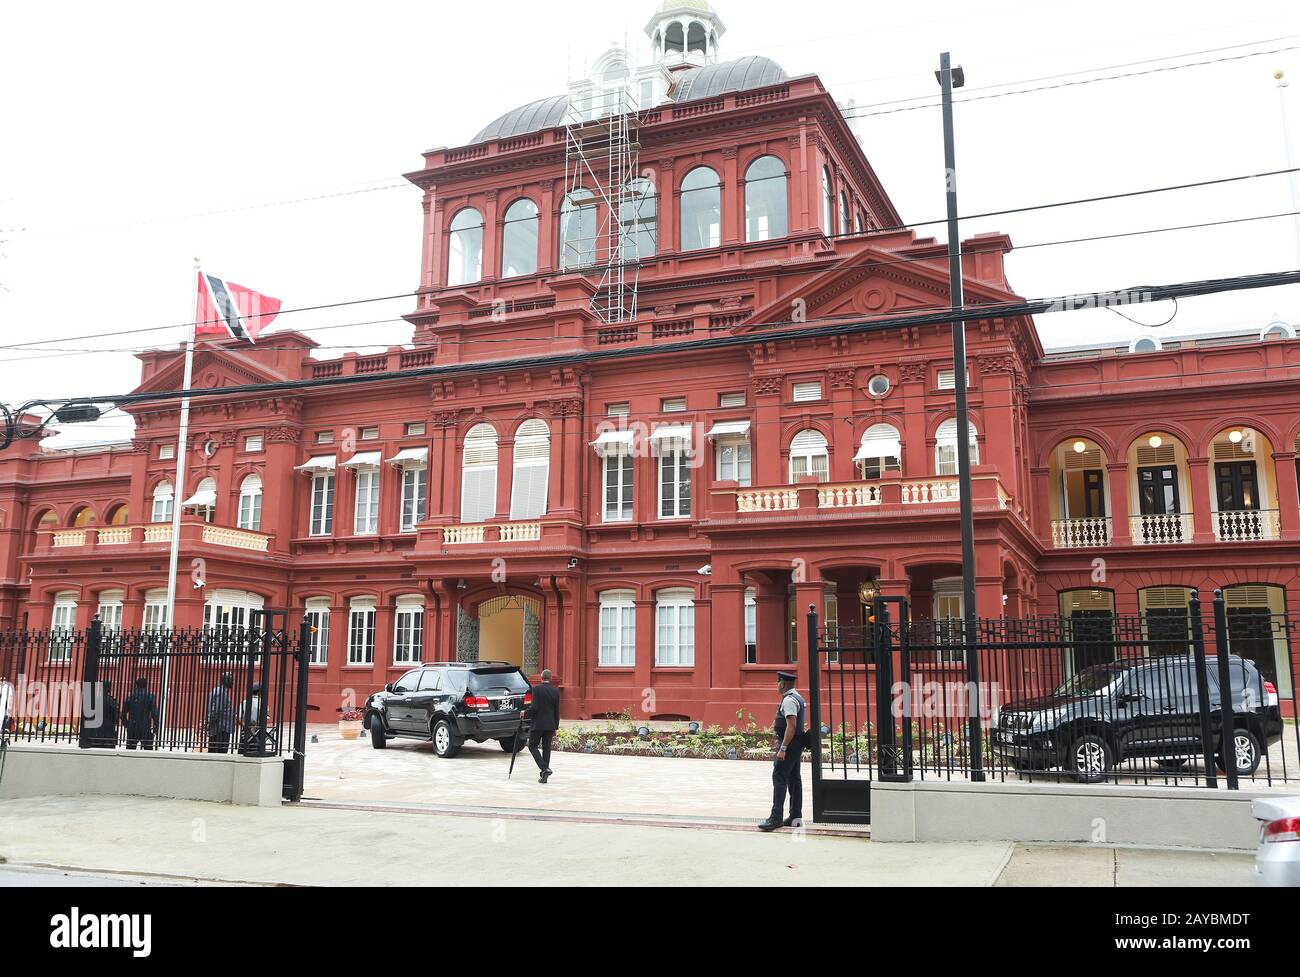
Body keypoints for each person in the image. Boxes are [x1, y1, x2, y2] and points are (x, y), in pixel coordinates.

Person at [758, 670, 807, 831]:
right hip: (796, 744)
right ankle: (795, 816)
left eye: (778, 682)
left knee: (779, 777)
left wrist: (783, 748)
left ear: (783, 683)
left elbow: (791, 727)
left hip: (789, 745)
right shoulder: (798, 697)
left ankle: (775, 818)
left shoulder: (789, 701)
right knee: (794, 779)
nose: (776, 685)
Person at [524, 669, 560, 783]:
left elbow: (534, 708)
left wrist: (525, 713)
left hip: (538, 724)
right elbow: (557, 711)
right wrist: (556, 726)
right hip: (550, 724)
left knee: (532, 746)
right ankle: (544, 775)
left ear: (541, 678)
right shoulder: (555, 691)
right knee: (546, 748)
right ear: (551, 678)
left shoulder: (537, 689)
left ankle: (544, 768)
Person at [80, 678, 119, 749]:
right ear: (109, 688)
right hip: (108, 730)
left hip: (96, 730)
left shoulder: (95, 700)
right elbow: (116, 716)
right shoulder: (112, 701)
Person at [121, 677, 158, 750]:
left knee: (130, 751)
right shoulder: (150, 697)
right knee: (148, 751)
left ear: (136, 685)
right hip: (145, 726)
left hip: (132, 726)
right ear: (146, 685)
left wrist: (126, 724)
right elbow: (155, 713)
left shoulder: (130, 697)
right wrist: (156, 725)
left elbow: (123, 714)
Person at [206, 672, 234, 754]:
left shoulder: (220, 691)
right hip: (221, 728)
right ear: (226, 680)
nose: (233, 682)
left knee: (215, 750)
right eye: (231, 679)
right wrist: (210, 723)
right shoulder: (221, 693)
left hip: (220, 727)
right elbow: (216, 710)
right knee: (219, 751)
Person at [238, 681, 266, 756]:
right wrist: (254, 728)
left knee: (243, 752)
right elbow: (264, 718)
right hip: (258, 730)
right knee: (256, 752)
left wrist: (245, 726)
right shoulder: (262, 703)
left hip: (246, 729)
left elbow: (238, 718)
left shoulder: (244, 702)